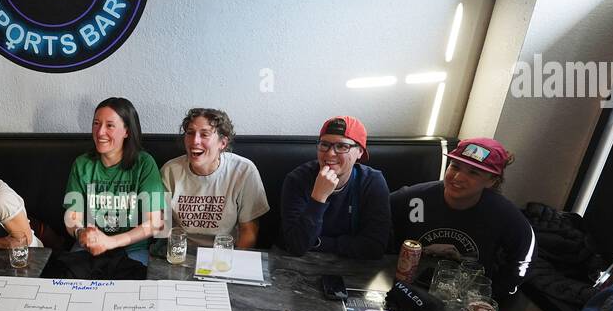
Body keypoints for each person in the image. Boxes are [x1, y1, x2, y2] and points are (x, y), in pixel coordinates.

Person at [389, 137, 535, 302]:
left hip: (464, 301)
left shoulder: (505, 215)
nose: (458, 177)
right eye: (455, 166)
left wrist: (491, 297)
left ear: (492, 180)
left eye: (473, 172)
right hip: (406, 290)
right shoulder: (415, 198)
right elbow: (375, 214)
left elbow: (523, 260)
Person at [63, 97, 165, 266]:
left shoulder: (144, 163)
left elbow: (156, 222)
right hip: (89, 248)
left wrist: (111, 242)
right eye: (96, 123)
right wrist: (80, 232)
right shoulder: (82, 164)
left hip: (132, 248)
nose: (100, 131)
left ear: (127, 131)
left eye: (109, 125)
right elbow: (71, 217)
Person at [280, 115, 391, 258]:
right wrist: (318, 198)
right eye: (324, 144)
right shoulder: (297, 179)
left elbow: (375, 247)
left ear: (360, 151)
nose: (330, 153)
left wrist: (318, 243)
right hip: (298, 264)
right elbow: (296, 245)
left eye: (342, 146)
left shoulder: (372, 182)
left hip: (354, 267)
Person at [160, 108, 268, 250]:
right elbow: (160, 227)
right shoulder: (169, 171)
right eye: (190, 133)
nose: (195, 141)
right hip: (182, 251)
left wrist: (231, 264)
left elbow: (248, 232)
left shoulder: (244, 171)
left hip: (224, 253)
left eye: (204, 134)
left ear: (222, 143)